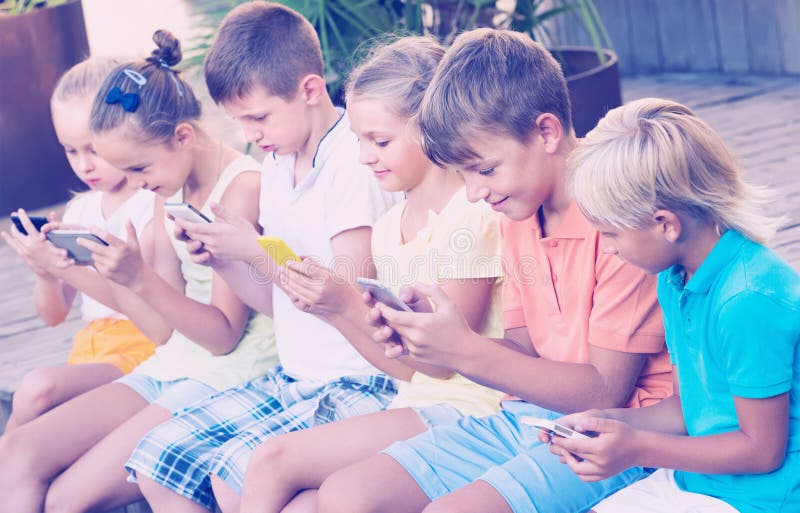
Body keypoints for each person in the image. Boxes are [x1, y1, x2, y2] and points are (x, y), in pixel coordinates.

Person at [313, 28, 673, 513]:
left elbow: (604, 389)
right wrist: (436, 337)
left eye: (483, 170)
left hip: (611, 430)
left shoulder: (617, 218)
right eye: (464, 175)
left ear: (545, 132)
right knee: (344, 496)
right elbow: (524, 348)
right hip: (528, 418)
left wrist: (464, 350)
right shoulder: (518, 210)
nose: (476, 193)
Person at [125, 3, 401, 512]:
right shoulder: (275, 164)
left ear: (310, 90)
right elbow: (280, 301)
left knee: (235, 474)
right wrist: (225, 259)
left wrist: (252, 250)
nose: (250, 133)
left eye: (258, 117)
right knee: (156, 459)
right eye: (240, 121)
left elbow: (347, 293)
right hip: (297, 376)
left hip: (359, 378)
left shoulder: (354, 164)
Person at [0, 30, 277, 513]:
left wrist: (137, 277)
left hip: (227, 374)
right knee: (18, 451)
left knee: (66, 497)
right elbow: (164, 333)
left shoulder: (240, 190)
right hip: (172, 365)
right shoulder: (164, 192)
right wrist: (121, 275)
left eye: (137, 168)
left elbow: (221, 338)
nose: (134, 183)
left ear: (183, 137)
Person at [237, 35, 506, 513]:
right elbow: (404, 366)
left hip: (471, 409)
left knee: (271, 460)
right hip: (414, 400)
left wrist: (342, 304)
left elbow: (448, 364)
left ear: (431, 127)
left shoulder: (473, 216)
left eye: (379, 141)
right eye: (359, 141)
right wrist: (337, 312)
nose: (365, 157)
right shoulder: (387, 228)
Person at [543, 97, 800, 513]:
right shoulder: (674, 278)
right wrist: (604, 424)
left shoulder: (748, 300)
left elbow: (761, 451)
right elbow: (685, 409)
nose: (607, 249)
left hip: (762, 499)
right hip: (695, 481)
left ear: (665, 224)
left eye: (611, 234)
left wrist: (637, 449)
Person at [1, 57, 158, 430]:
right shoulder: (80, 209)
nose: (84, 166)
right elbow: (54, 315)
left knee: (37, 390)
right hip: (91, 348)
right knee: (40, 408)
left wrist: (63, 266)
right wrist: (46, 273)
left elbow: (145, 305)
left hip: (143, 347)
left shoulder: (151, 202)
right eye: (71, 151)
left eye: (94, 149)